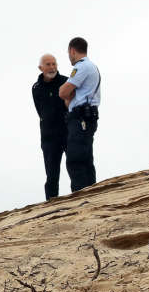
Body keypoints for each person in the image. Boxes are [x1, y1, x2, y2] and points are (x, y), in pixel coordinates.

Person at [57, 37, 101, 191]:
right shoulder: (90, 66)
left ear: (72, 50)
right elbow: (68, 100)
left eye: (68, 53)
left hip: (81, 118)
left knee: (75, 159)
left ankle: (81, 196)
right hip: (85, 117)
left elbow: (63, 93)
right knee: (85, 160)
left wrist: (66, 92)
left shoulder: (82, 67)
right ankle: (92, 193)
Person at [32, 54, 69, 200]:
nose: (52, 67)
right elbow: (40, 111)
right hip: (48, 136)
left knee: (75, 166)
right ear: (40, 68)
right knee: (51, 174)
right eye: (48, 64)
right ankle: (51, 203)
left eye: (54, 64)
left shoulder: (66, 81)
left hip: (67, 131)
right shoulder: (36, 88)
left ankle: (81, 199)